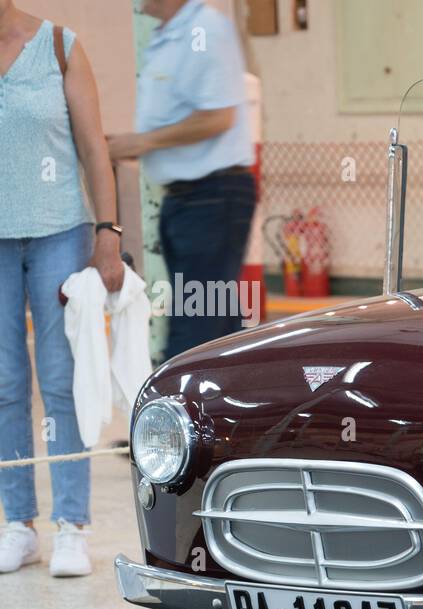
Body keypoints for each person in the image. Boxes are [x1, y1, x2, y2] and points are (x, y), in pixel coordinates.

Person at [0, 1, 123, 577]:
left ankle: (71, 524)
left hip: (58, 234)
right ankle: (18, 523)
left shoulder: (59, 47)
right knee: (4, 382)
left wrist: (108, 233)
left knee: (59, 379)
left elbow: (94, 146)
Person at [108, 0, 254, 361]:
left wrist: (142, 142)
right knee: (219, 327)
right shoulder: (165, 39)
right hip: (184, 201)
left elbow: (217, 117)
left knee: (194, 331)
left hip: (212, 198)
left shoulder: (205, 31)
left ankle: (175, 411)